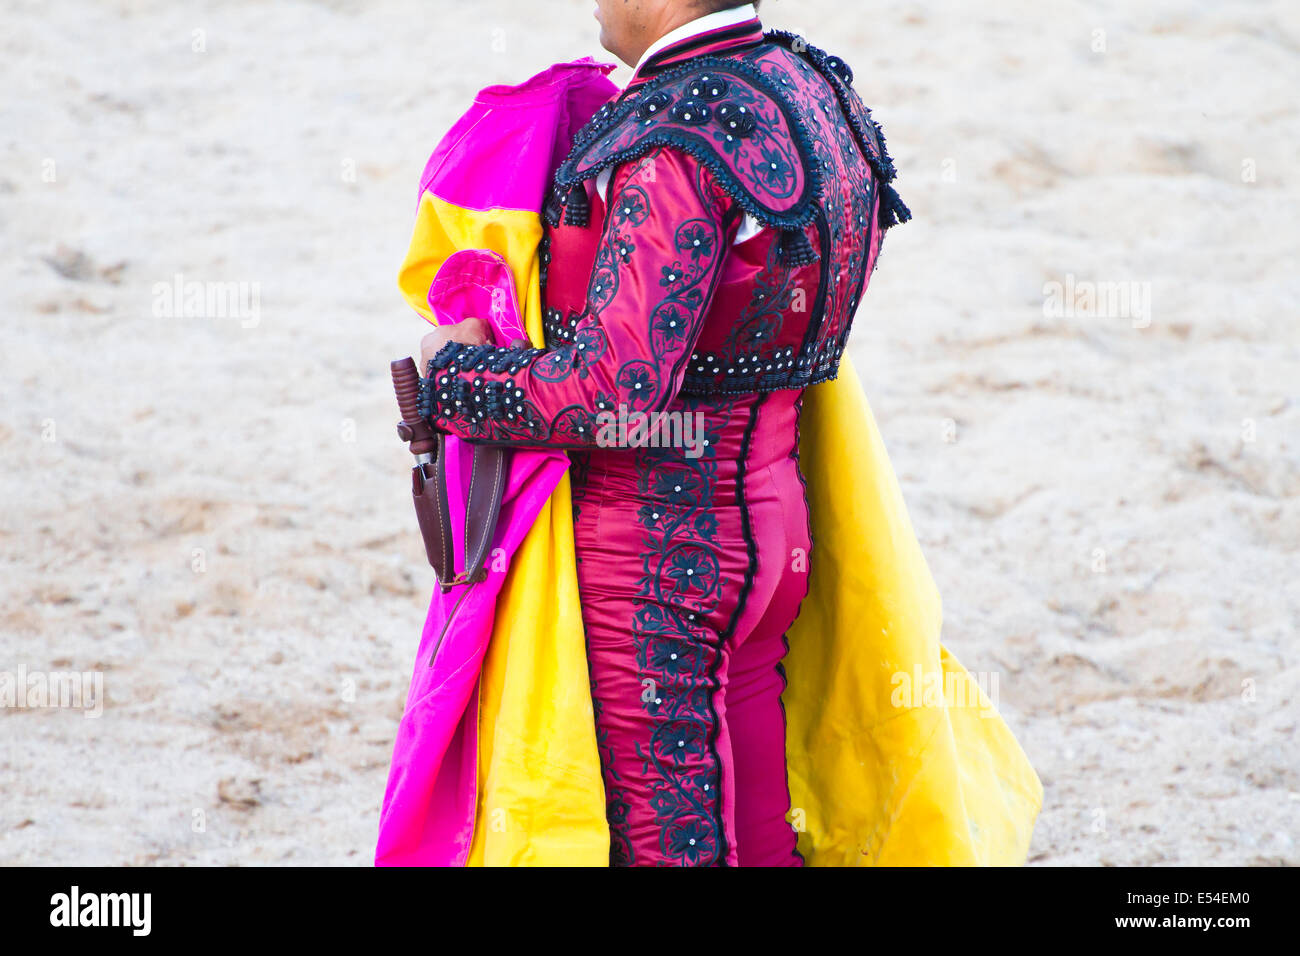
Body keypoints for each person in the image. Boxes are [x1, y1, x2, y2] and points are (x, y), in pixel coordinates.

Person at [414, 0, 909, 866]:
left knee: (663, 844)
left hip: (655, 556)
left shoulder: (677, 125)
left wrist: (450, 384)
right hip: (775, 524)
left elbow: (615, 387)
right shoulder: (808, 84)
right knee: (757, 829)